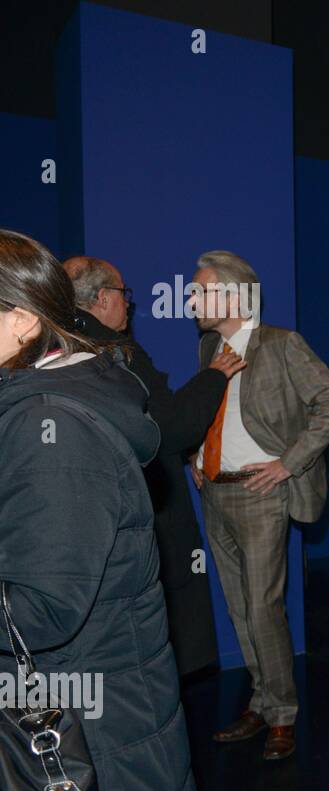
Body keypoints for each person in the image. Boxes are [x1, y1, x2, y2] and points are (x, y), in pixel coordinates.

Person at [0, 229, 194, 791]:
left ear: (22, 321)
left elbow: (43, 609)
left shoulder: (50, 426)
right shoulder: (33, 409)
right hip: (85, 734)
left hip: (95, 761)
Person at [189, 250, 329, 761]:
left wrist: (289, 463)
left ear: (234, 296)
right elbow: (215, 411)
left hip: (261, 494)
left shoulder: (281, 344)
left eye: (201, 291)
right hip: (214, 490)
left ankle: (282, 714)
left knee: (262, 608)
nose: (191, 300)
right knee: (239, 608)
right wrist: (196, 453)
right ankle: (260, 701)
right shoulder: (209, 348)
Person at [64, 255, 243, 677]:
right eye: (123, 294)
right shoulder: (116, 352)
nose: (129, 303)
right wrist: (213, 376)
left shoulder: (61, 349)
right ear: (103, 299)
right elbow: (171, 427)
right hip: (143, 508)